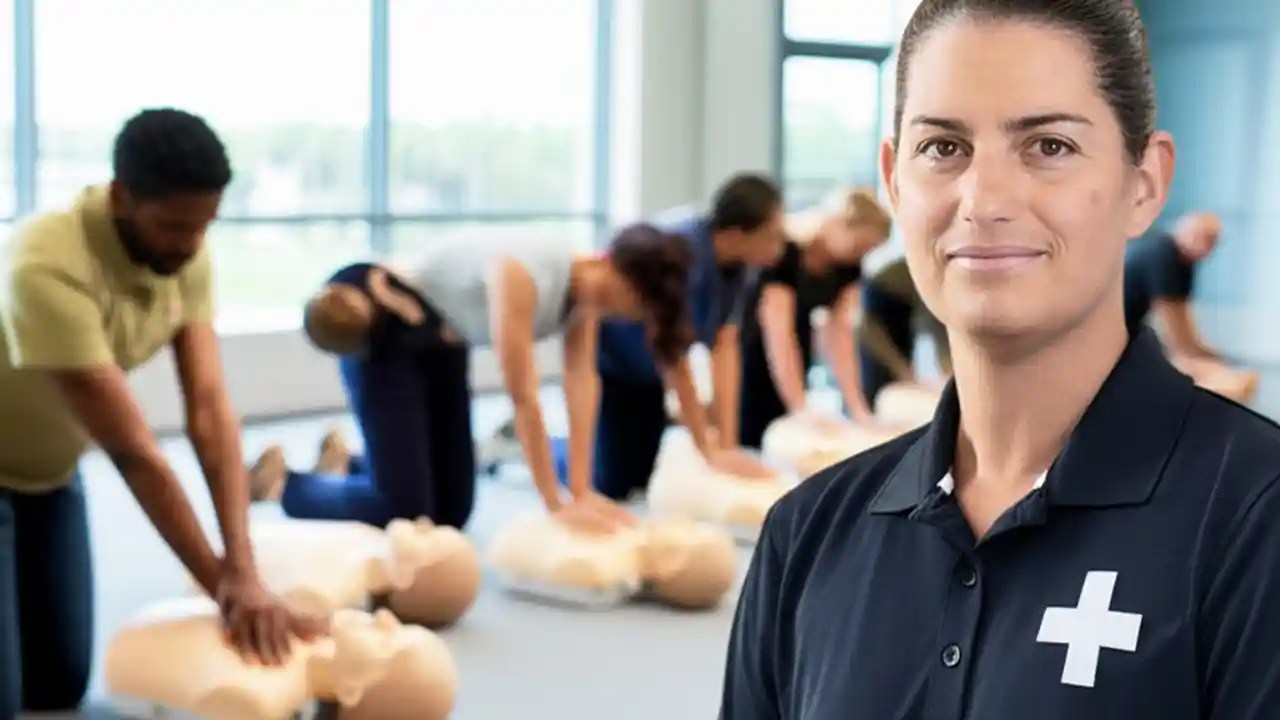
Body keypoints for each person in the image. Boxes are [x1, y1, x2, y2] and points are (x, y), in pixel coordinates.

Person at [722, 2, 1280, 718]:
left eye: (1048, 145)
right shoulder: (805, 535)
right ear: (895, 181)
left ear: (1144, 183)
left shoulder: (1254, 521)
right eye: (944, 148)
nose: (984, 200)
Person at [0, 108, 320, 716]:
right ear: (121, 197)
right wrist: (225, 588)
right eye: (175, 226)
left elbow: (208, 410)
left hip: (50, 474)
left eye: (205, 226)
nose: (193, 245)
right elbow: (137, 453)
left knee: (58, 685)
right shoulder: (44, 266)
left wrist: (244, 570)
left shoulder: (185, 251)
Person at [269, 223, 694, 535]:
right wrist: (555, 505)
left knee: (451, 512)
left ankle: (349, 462)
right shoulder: (523, 274)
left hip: (442, 342)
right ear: (610, 263)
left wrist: (581, 491)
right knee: (404, 509)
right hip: (381, 318)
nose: (611, 312)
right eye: (619, 300)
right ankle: (282, 483)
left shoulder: (584, 296)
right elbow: (524, 397)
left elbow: (581, 386)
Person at [588, 173, 787, 501]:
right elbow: (674, 355)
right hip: (616, 356)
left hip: (651, 366)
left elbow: (725, 347)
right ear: (737, 234)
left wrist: (726, 444)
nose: (778, 249)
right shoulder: (682, 249)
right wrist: (707, 449)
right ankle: (556, 452)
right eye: (771, 236)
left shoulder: (742, 266)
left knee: (640, 473)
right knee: (611, 479)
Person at [736, 187, 892, 449]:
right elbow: (779, 336)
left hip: (799, 342)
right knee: (759, 432)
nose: (861, 254)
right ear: (837, 224)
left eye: (868, 249)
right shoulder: (783, 253)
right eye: (859, 244)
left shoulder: (848, 266)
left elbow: (841, 336)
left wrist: (857, 409)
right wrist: (800, 407)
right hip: (754, 347)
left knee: (796, 435)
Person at [856, 255, 952, 404]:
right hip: (884, 298)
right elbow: (867, 330)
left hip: (897, 298)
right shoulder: (924, 281)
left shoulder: (934, 284)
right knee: (877, 391)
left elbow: (939, 332)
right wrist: (904, 372)